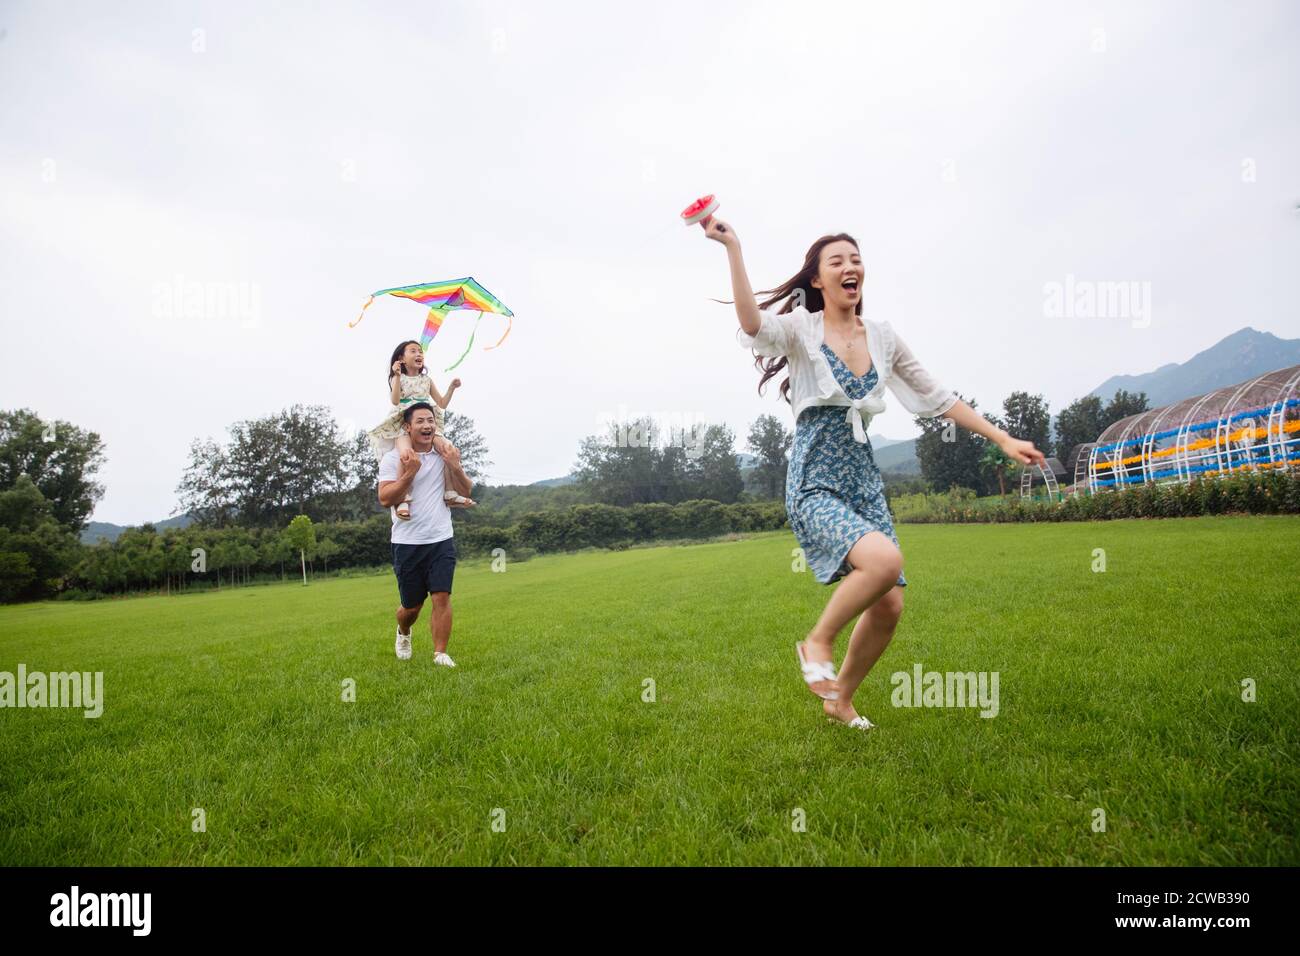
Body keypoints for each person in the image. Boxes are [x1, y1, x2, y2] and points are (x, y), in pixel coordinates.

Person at [701, 216, 1045, 730]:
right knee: (883, 562)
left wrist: (1001, 437)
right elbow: (753, 325)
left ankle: (839, 700)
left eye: (855, 260)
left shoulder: (882, 337)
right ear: (817, 280)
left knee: (888, 607)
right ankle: (817, 641)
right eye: (836, 261)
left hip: (863, 480)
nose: (849, 267)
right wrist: (733, 248)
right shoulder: (802, 330)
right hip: (816, 478)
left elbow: (938, 396)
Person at [377, 402, 476, 666]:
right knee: (411, 607)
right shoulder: (392, 459)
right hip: (407, 543)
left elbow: (466, 491)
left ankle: (440, 653)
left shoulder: (445, 455)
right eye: (420, 421)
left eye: (431, 420)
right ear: (407, 428)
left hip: (441, 539)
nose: (427, 426)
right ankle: (404, 630)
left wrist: (456, 466)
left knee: (441, 596)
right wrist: (409, 473)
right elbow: (385, 498)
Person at [367, 340, 474, 519]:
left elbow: (441, 403)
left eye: (420, 352)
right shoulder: (397, 378)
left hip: (425, 418)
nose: (419, 355)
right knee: (406, 454)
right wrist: (397, 375)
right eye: (413, 351)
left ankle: (450, 493)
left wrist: (451, 388)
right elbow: (395, 401)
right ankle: (402, 499)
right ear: (401, 358)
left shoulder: (426, 380)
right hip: (403, 422)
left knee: (447, 449)